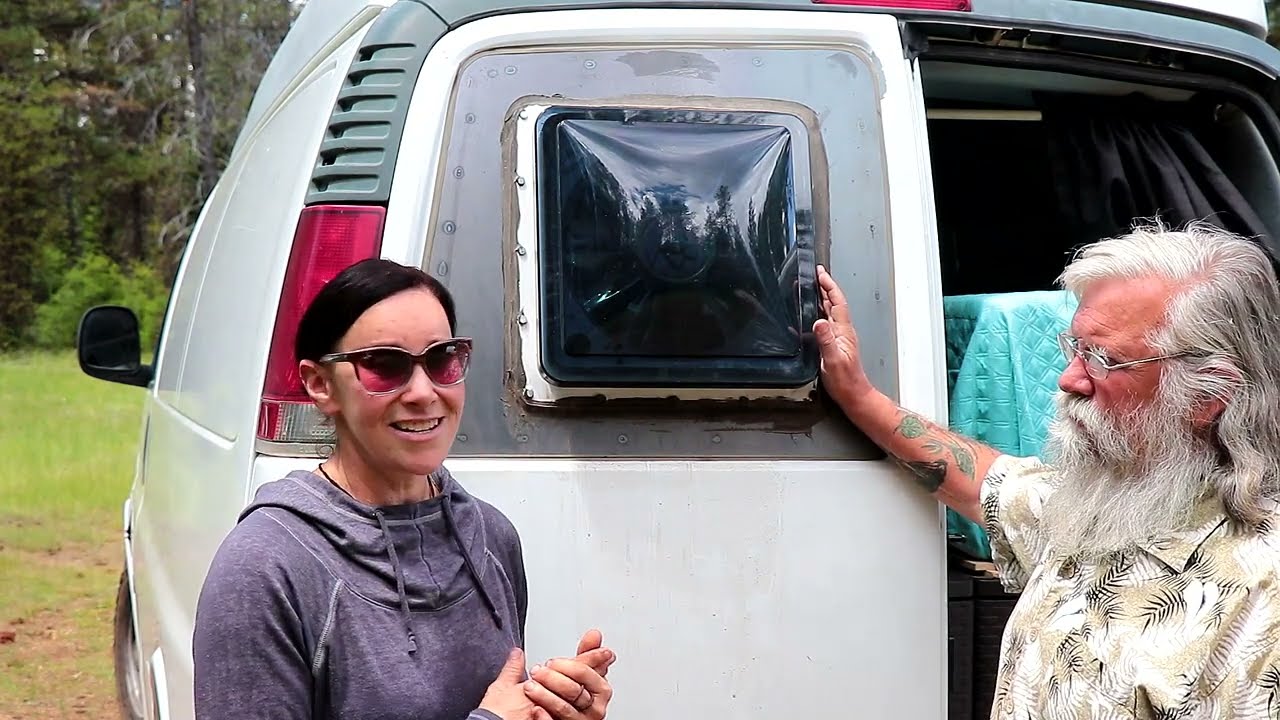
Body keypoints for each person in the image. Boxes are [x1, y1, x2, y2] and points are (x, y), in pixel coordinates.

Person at [813, 222, 1280, 718]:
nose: (1069, 379)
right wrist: (858, 395)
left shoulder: (1262, 602)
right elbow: (982, 480)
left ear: (1209, 393)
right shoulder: (1106, 504)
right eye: (1075, 348)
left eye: (1104, 359)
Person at [193, 258, 615, 720]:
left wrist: (554, 709)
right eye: (384, 365)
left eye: (441, 359)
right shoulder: (264, 570)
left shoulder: (491, 538)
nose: (422, 392)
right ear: (320, 385)